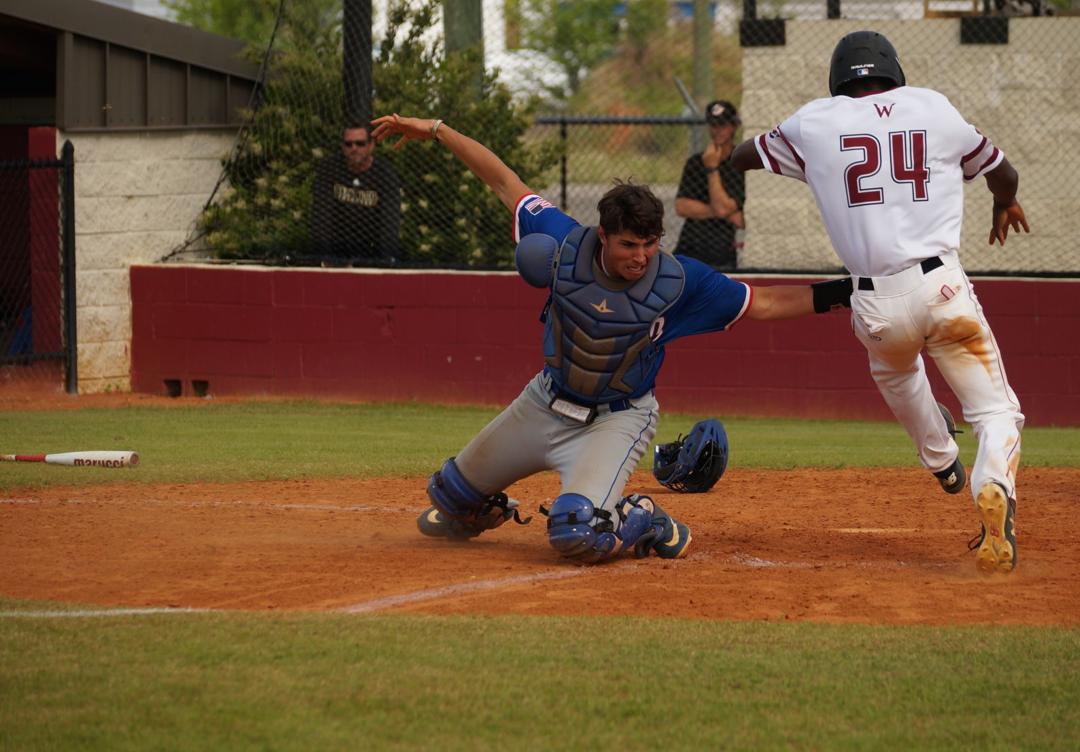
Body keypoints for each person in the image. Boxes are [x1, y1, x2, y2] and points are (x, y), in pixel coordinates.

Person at [369, 112, 853, 564]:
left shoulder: (680, 281)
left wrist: (849, 290)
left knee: (577, 532)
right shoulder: (565, 245)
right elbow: (503, 182)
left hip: (617, 418)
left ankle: (641, 516)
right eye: (628, 244)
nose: (641, 256)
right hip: (544, 401)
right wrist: (436, 130)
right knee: (448, 498)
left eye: (650, 243)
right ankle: (477, 509)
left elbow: (763, 304)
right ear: (604, 235)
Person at [732, 30, 1030, 574]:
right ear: (895, 70)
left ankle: (942, 462)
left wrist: (811, 160)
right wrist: (1004, 203)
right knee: (995, 412)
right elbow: (1001, 172)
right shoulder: (932, 106)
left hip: (873, 300)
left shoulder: (814, 121)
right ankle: (991, 484)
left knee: (896, 374)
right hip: (942, 288)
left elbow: (741, 156)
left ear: (837, 78)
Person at [310, 124, 403, 263]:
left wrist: (384, 260)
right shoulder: (329, 169)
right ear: (342, 147)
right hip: (336, 247)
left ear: (371, 146)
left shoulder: (385, 175)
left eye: (360, 143)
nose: (354, 148)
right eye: (349, 144)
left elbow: (389, 222)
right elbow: (321, 216)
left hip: (372, 249)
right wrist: (325, 257)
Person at [673, 100, 745, 272]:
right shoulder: (695, 163)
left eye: (723, 125)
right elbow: (682, 207)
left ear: (734, 126)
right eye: (713, 125)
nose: (717, 130)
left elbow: (741, 219)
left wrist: (712, 168)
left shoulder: (741, 164)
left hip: (721, 252)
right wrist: (724, 212)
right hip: (689, 247)